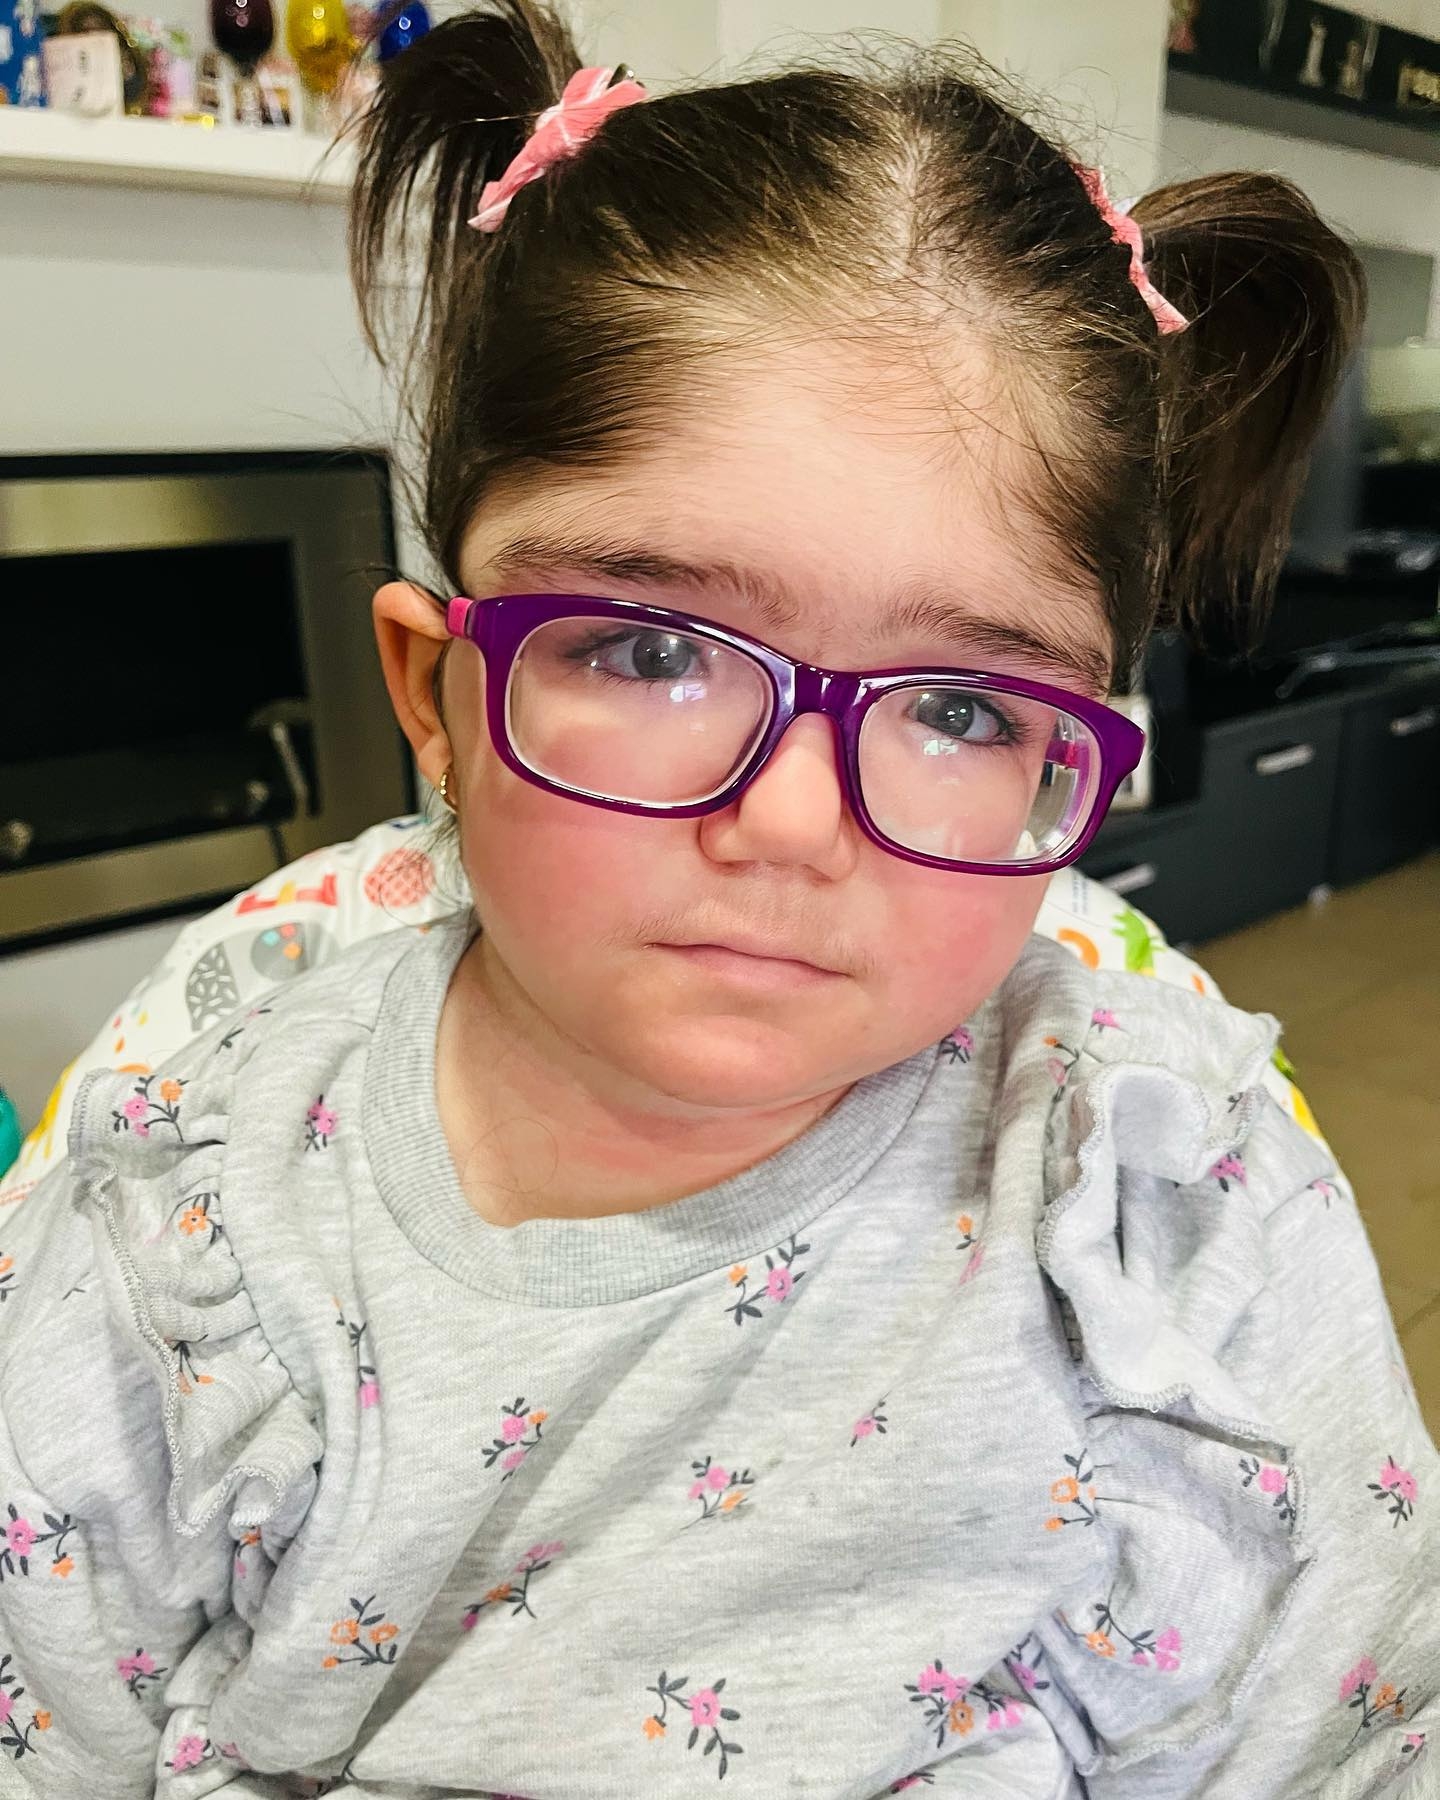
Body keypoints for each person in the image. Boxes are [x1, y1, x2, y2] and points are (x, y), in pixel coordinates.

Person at [0, 3, 1433, 1792]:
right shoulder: (192, 1209)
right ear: (437, 695)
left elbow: (1350, 1737)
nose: (794, 821)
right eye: (652, 650)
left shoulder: (1168, 1201)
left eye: (962, 707)